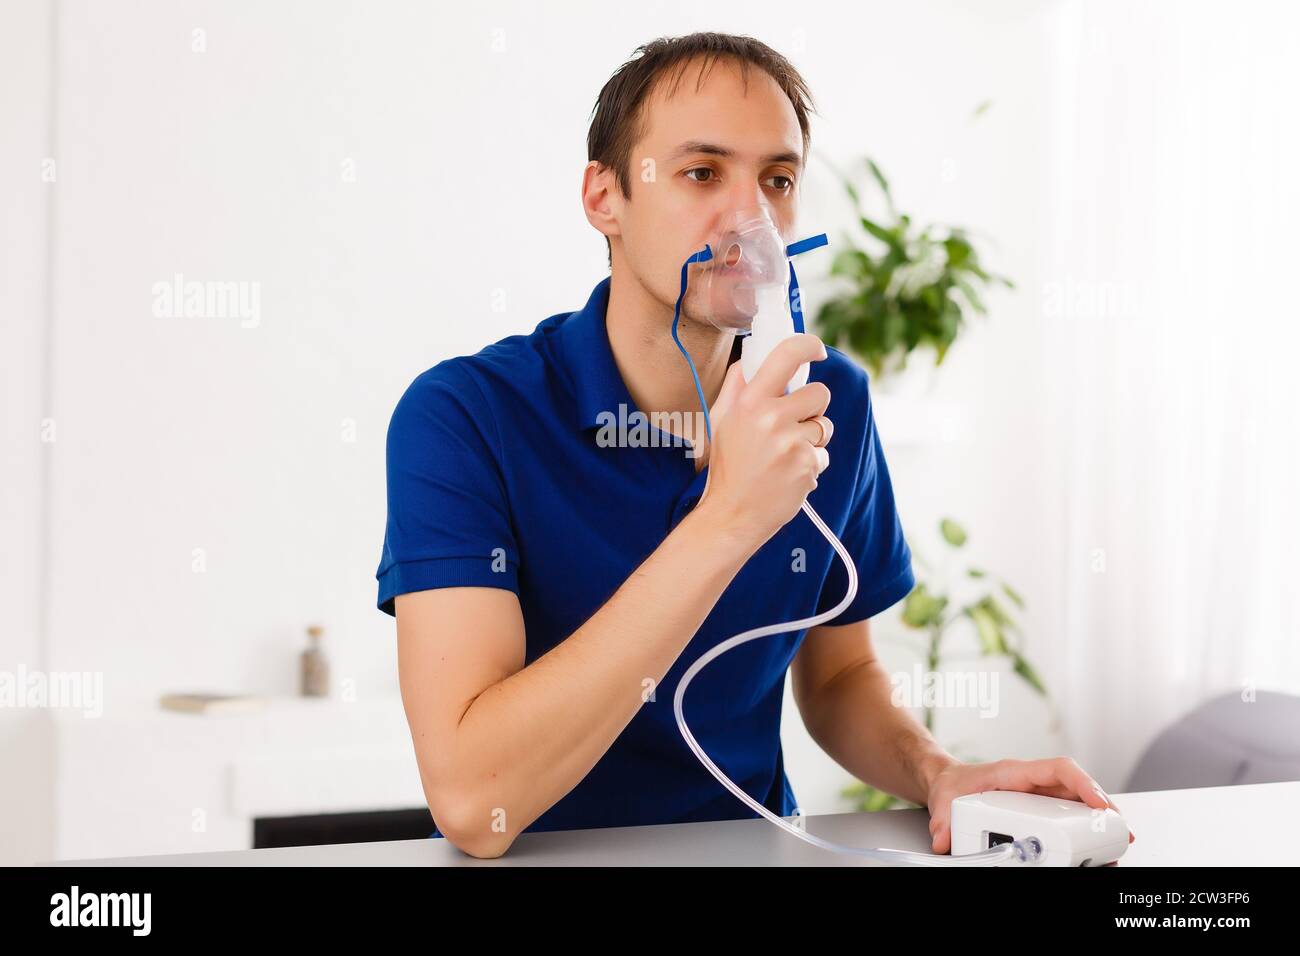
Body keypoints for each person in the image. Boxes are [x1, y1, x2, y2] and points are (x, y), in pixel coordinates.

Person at [376, 31, 1134, 859]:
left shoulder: (823, 399)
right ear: (605, 198)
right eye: (702, 173)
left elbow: (840, 679)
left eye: (778, 179)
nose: (752, 217)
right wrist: (727, 519)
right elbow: (470, 800)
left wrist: (938, 771)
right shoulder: (463, 418)